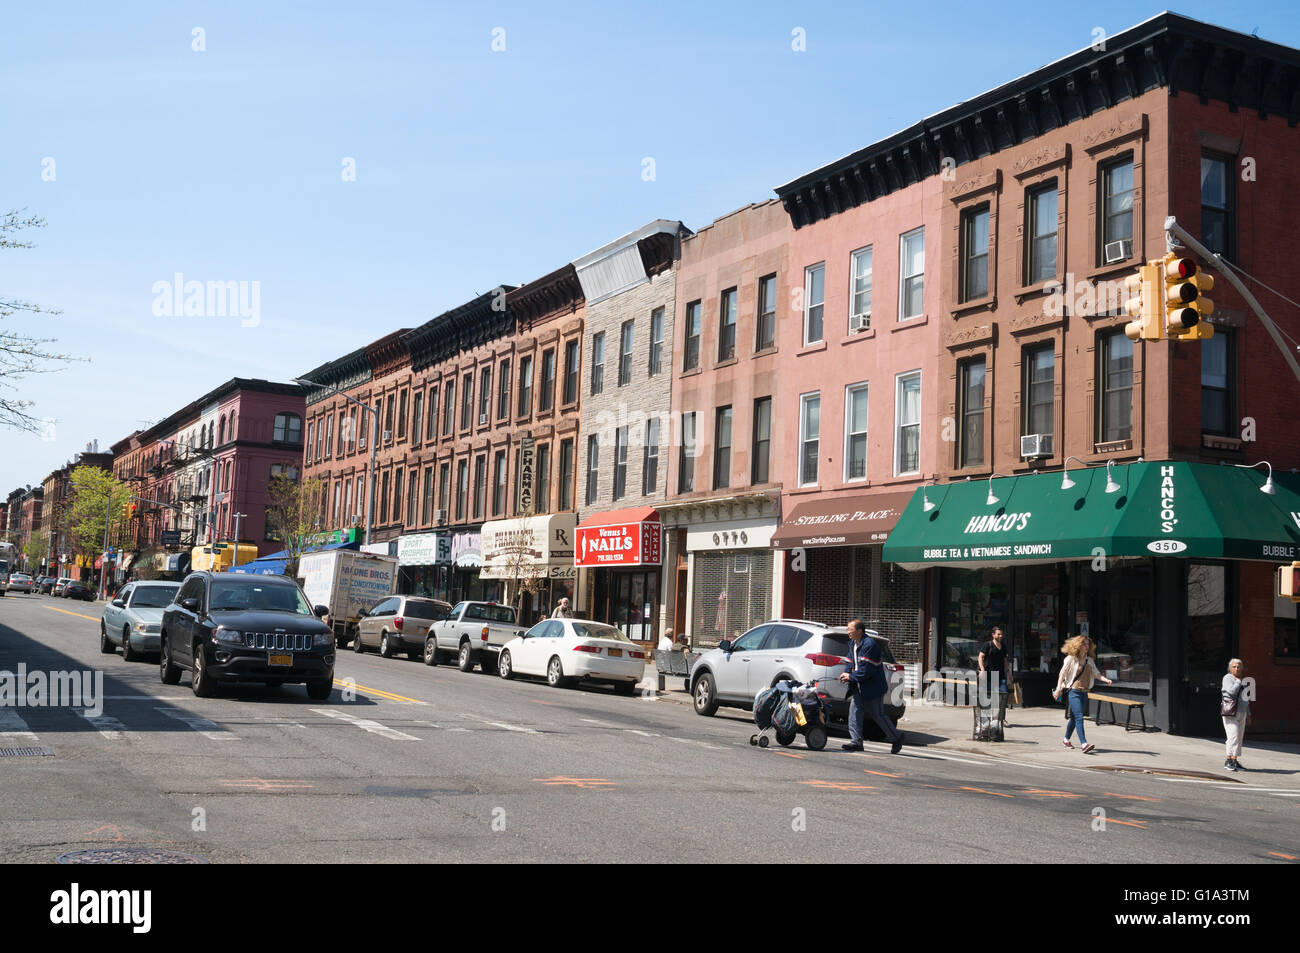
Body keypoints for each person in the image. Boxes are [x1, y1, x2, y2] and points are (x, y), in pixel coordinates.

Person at [839, 619, 904, 754]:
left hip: (873, 687)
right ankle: (856, 742)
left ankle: (896, 737)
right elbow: (850, 660)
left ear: (859, 631)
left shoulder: (870, 645)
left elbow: (866, 670)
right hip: (859, 685)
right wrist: (847, 671)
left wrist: (850, 677)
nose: (848, 631)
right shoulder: (853, 643)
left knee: (878, 715)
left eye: (850, 629)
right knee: (854, 713)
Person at [1053, 635, 1113, 754]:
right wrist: (1058, 689)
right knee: (1079, 716)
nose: (1086, 646)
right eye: (1084, 644)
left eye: (1088, 644)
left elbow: (1096, 674)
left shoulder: (1089, 660)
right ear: (1078, 645)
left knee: (1075, 718)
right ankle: (1084, 744)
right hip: (1074, 691)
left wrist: (1106, 680)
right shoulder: (1071, 658)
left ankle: (1066, 739)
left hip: (1084, 692)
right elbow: (1062, 674)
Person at [1221, 658, 1251, 772]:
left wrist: (1249, 714)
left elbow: (1245, 699)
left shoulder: (1242, 680)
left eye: (1239, 667)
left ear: (1242, 668)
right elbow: (1231, 692)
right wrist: (1238, 682)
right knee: (1233, 736)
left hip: (1242, 712)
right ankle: (1229, 760)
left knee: (1239, 738)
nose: (1237, 668)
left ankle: (1235, 760)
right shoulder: (1227, 678)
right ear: (1230, 668)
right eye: (1234, 667)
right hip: (1230, 712)